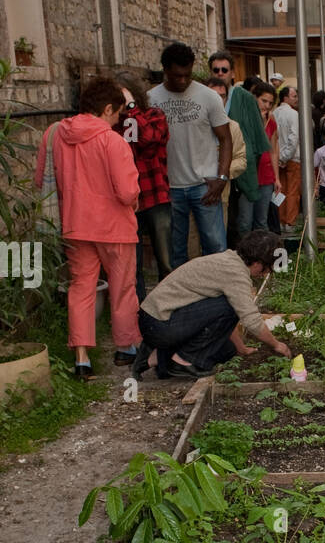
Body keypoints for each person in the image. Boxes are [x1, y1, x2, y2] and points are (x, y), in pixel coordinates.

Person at [44, 77, 140, 379]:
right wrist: (134, 200)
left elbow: (43, 180)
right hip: (114, 227)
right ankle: (126, 348)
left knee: (81, 289)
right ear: (107, 108)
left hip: (75, 225)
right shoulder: (113, 141)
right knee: (123, 288)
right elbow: (126, 192)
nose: (119, 120)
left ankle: (82, 358)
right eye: (118, 113)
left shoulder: (56, 134)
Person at [134, 230, 292, 381]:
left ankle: (153, 358)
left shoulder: (231, 260)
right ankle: (182, 360)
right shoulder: (236, 274)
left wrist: (240, 348)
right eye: (268, 269)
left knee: (227, 351)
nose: (265, 274)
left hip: (159, 321)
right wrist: (277, 345)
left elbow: (218, 320)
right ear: (258, 263)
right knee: (228, 308)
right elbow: (251, 320)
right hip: (159, 323)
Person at [149, 43, 232, 266]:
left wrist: (222, 178)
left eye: (187, 75)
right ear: (165, 70)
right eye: (177, 76)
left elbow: (225, 139)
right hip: (169, 188)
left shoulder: (209, 97)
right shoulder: (150, 99)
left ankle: (218, 295)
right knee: (174, 252)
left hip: (205, 185)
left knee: (215, 248)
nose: (183, 81)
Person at [114, 74, 171, 302]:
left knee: (166, 260)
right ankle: (139, 311)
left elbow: (148, 141)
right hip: (129, 202)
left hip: (156, 196)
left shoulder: (154, 116)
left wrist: (132, 109)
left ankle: (168, 305)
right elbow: (125, 152)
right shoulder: (116, 126)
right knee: (133, 263)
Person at [208, 52, 272, 240]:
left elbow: (258, 137)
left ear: (232, 73)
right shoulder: (203, 97)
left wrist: (249, 161)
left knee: (245, 221)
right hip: (212, 170)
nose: (220, 73)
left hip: (243, 167)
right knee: (219, 221)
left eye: (224, 70)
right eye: (216, 70)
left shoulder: (245, 98)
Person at [206, 77, 247, 245]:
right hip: (192, 191)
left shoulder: (232, 127)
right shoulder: (195, 125)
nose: (217, 100)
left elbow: (241, 159)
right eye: (213, 95)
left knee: (217, 244)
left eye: (222, 96)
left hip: (220, 195)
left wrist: (221, 173)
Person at [251, 77, 280, 232]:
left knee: (262, 219)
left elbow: (273, 149)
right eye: (264, 101)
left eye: (270, 103)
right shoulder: (247, 118)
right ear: (255, 98)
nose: (267, 106)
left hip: (267, 174)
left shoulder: (271, 120)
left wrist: (277, 177)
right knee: (246, 220)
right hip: (250, 174)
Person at [273, 86, 301, 226]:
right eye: (294, 96)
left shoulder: (274, 113)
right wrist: (285, 156)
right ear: (285, 97)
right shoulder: (293, 114)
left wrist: (279, 157)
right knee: (292, 192)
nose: (296, 99)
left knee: (280, 191)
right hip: (292, 158)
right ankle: (290, 223)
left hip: (276, 158)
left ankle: (279, 221)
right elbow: (294, 137)